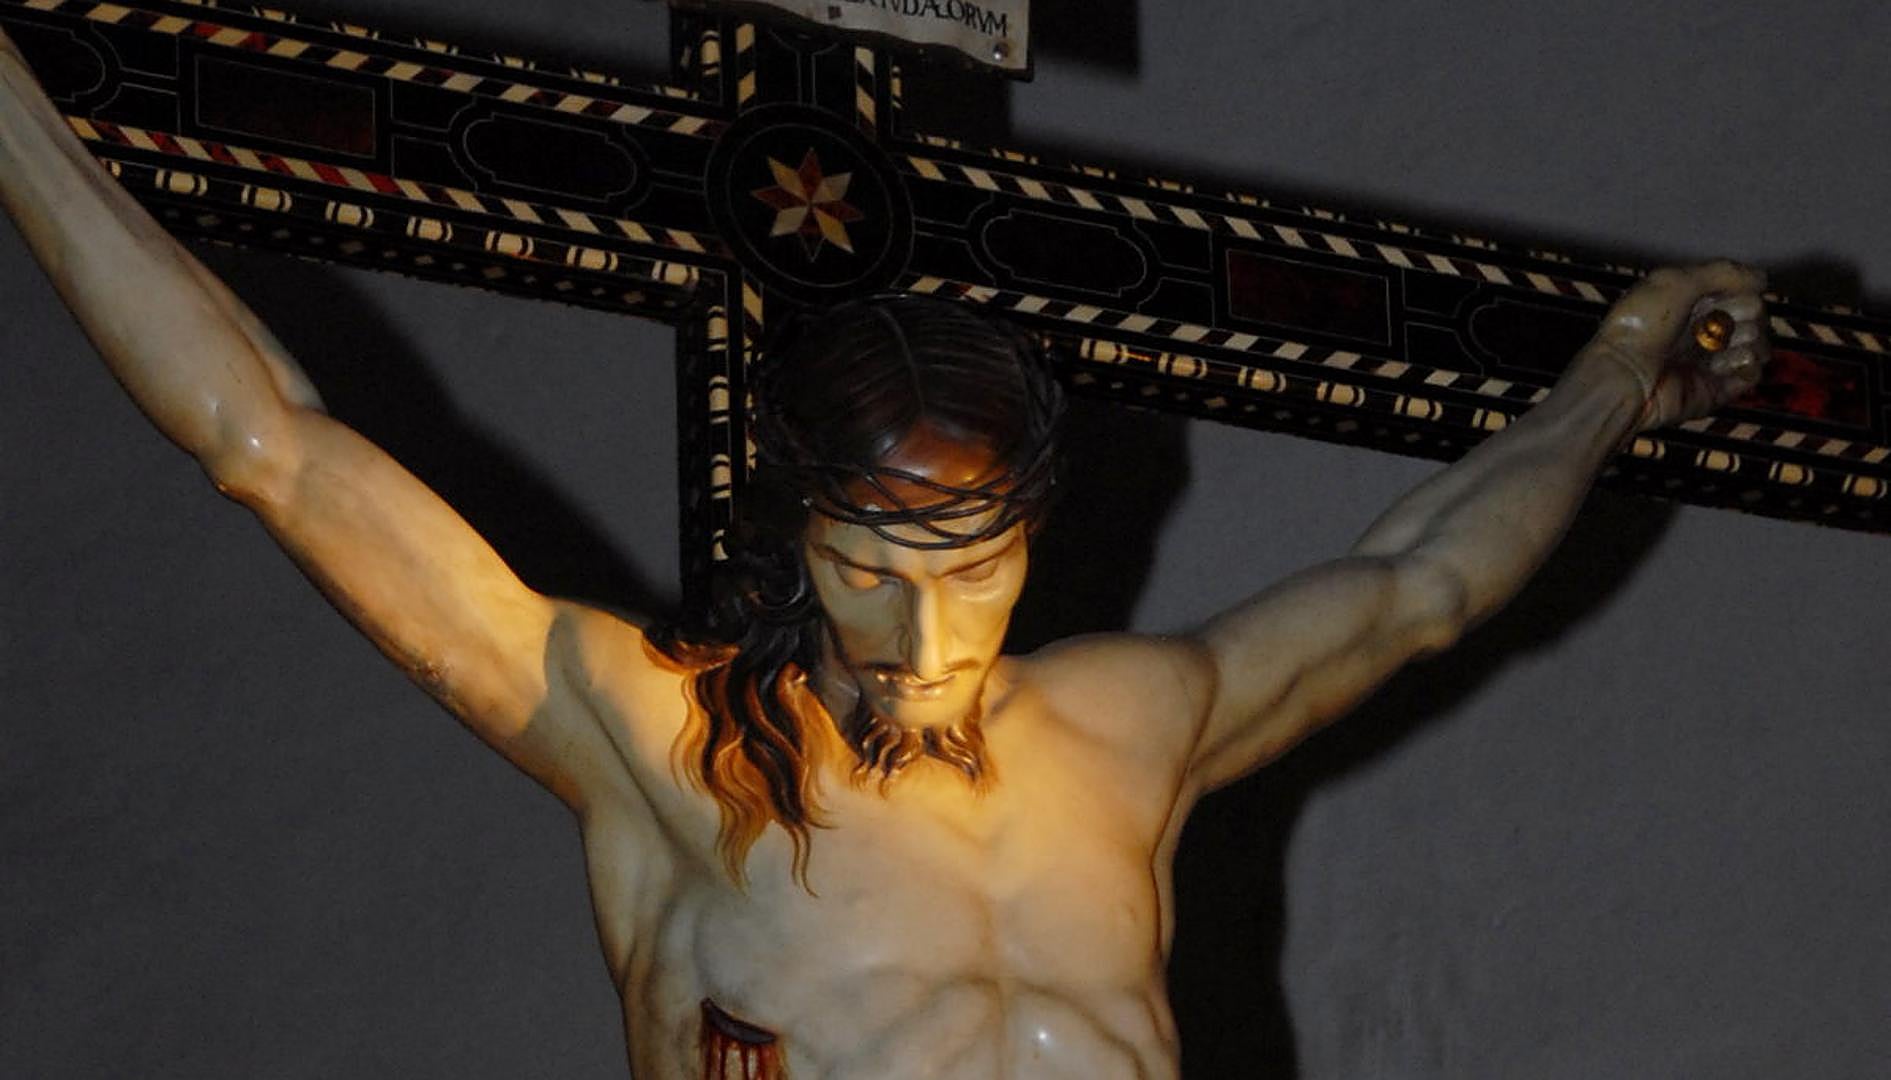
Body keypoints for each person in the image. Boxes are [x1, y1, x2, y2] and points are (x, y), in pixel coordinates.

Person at [0, 24, 1769, 1079]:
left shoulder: (1127, 731)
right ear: (795, 539)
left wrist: (1619, 375)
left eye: (979, 572)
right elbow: (273, 450)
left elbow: (1426, 584)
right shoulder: (658, 735)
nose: (929, 636)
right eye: (872, 570)